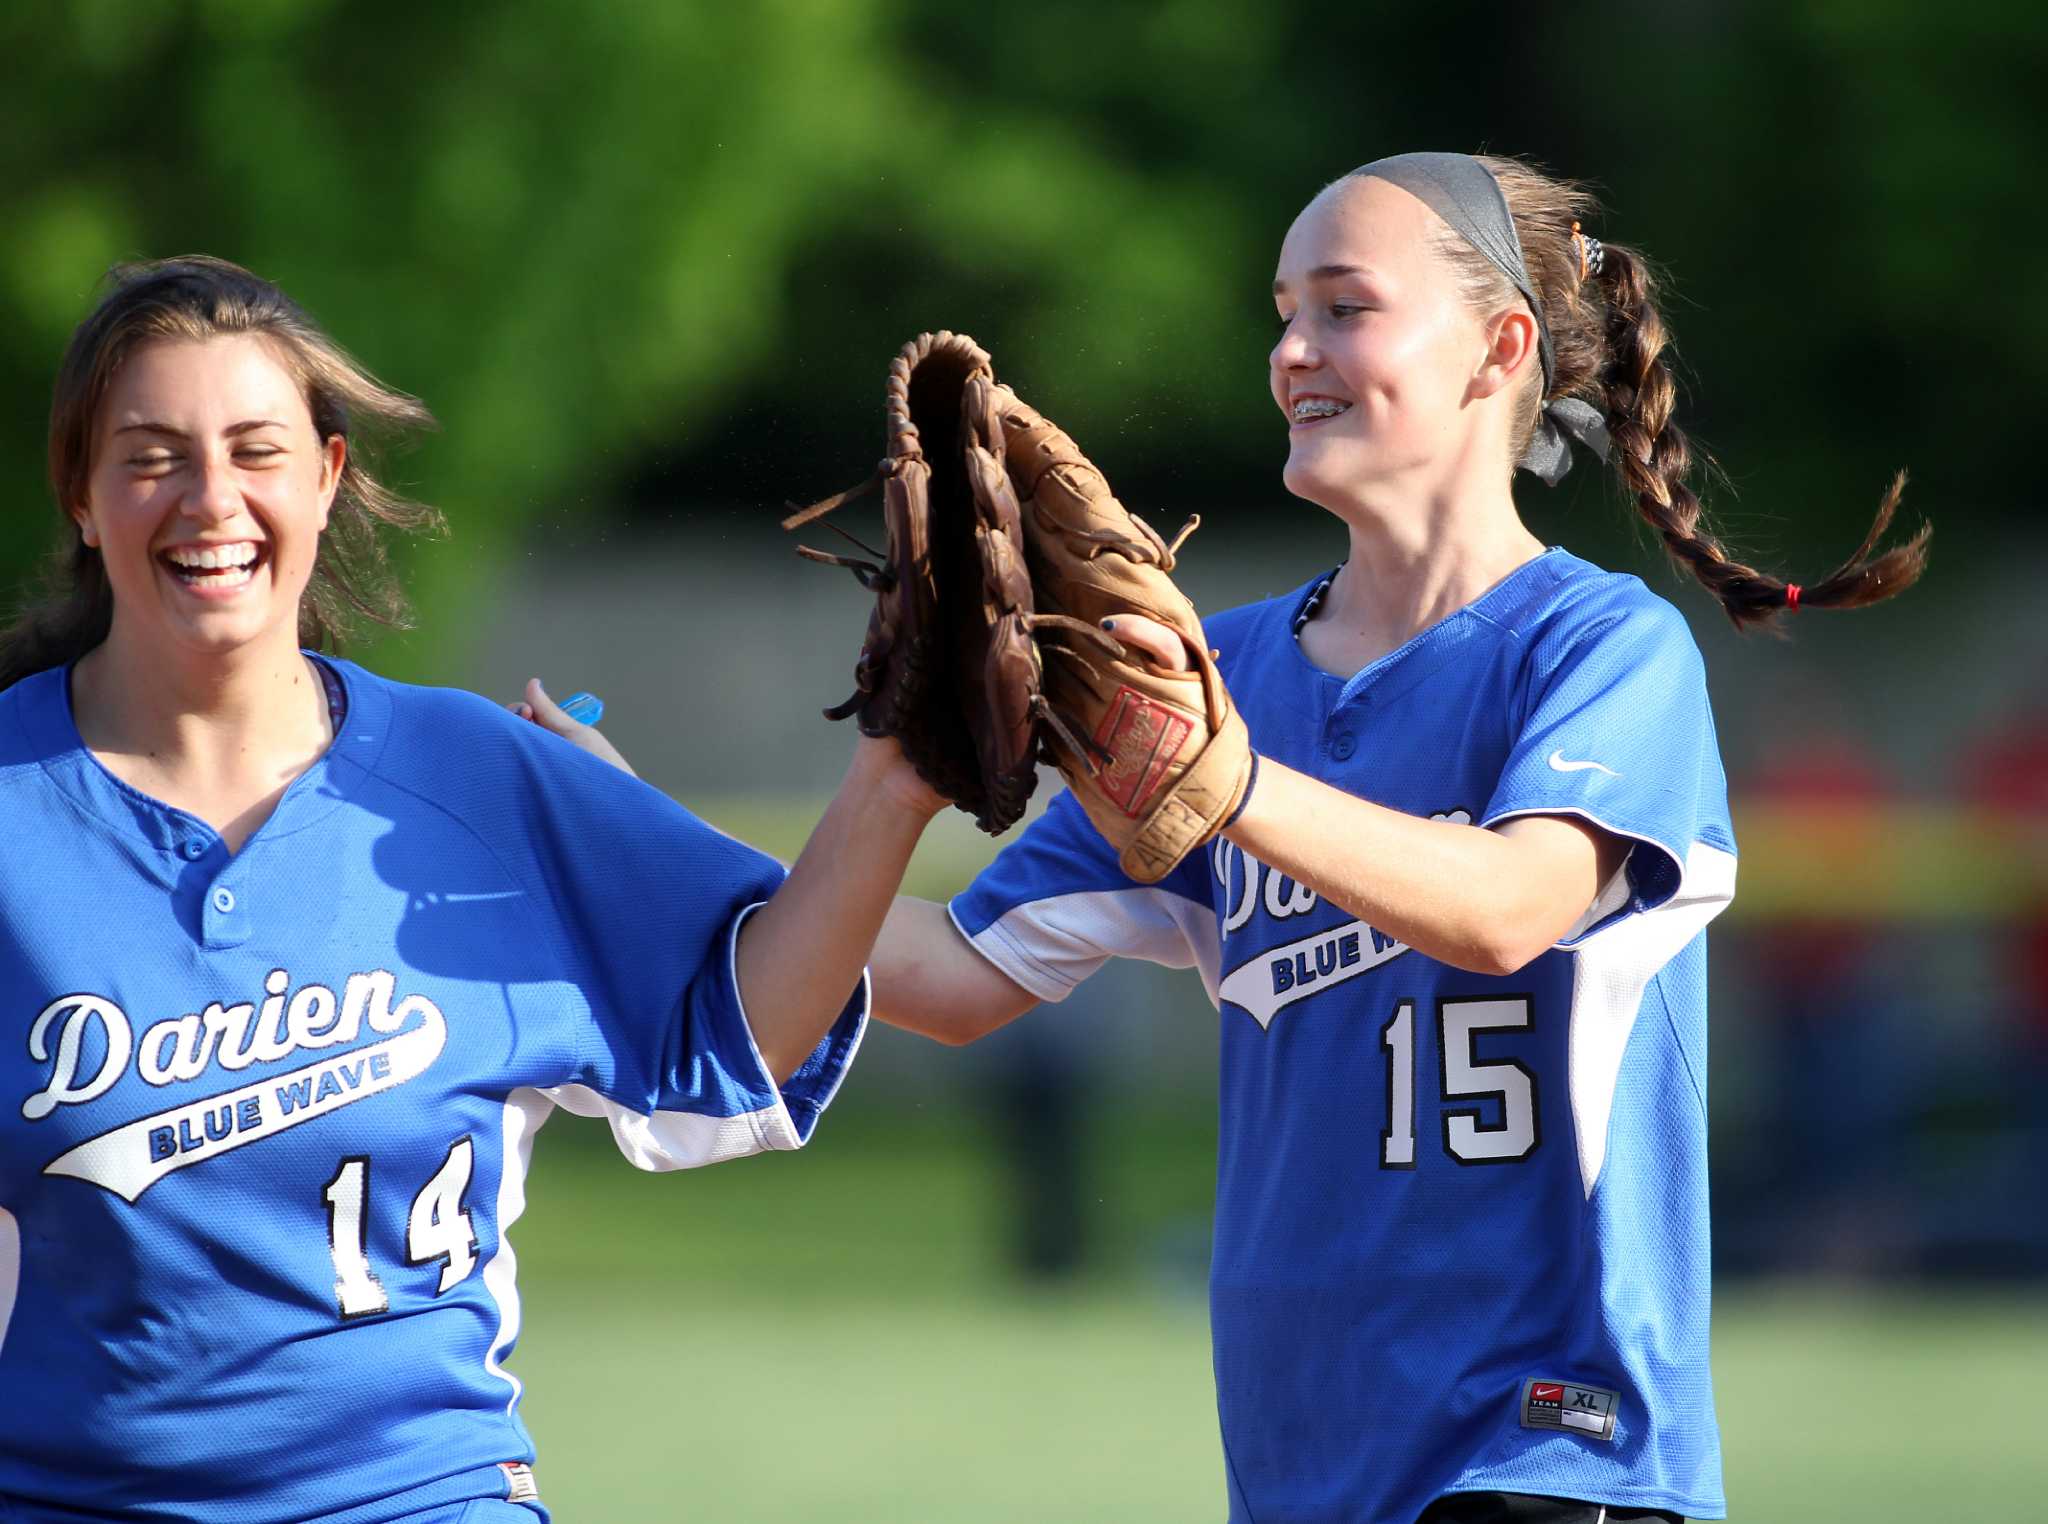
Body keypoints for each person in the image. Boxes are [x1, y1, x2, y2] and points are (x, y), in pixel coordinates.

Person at [857, 154, 1927, 1523]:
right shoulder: (1218, 677)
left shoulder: (1597, 650)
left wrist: (1229, 782)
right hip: (1308, 1463)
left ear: (1500, 347)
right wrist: (617, 844)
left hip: (1547, 1454)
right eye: (1284, 311)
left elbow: (1504, 909)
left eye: (1346, 307)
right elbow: (950, 978)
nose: (1293, 350)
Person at [0, 256, 945, 1524]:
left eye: (256, 448)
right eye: (153, 454)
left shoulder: (474, 779)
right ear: (81, 495)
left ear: (327, 478)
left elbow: (750, 1023)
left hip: (420, 1496)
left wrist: (891, 784)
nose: (210, 498)